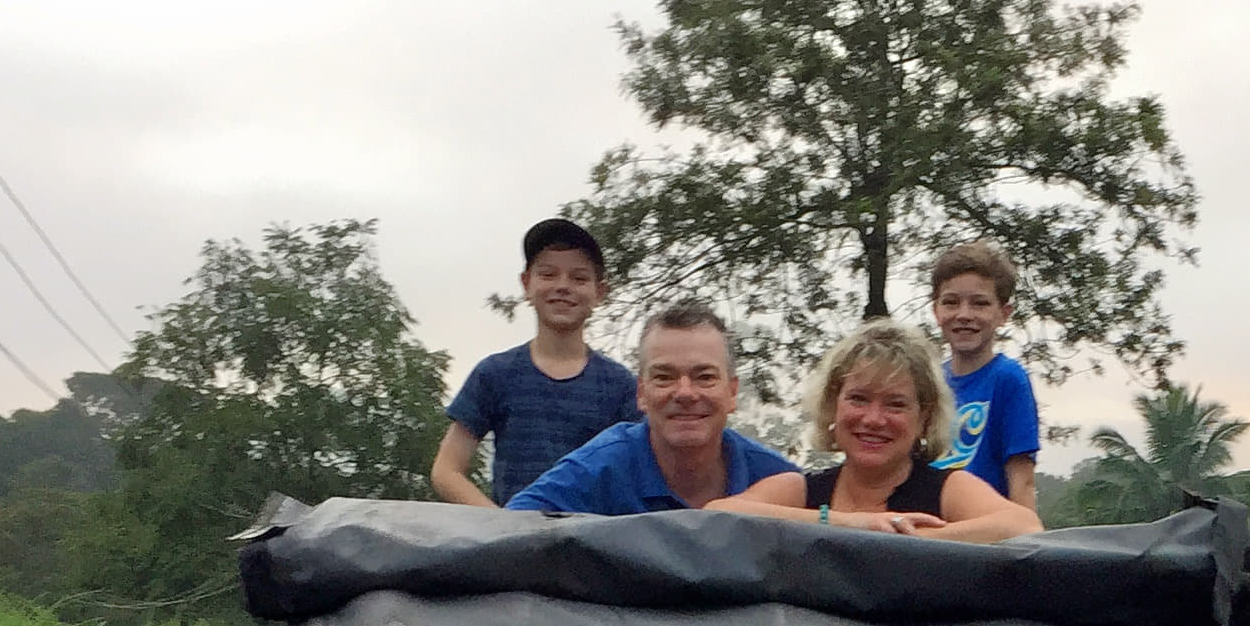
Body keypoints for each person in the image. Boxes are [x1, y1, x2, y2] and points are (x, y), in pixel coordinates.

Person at [709, 320, 1042, 541]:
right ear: (832, 407)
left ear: (924, 417)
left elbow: (1025, 526)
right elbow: (716, 515)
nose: (873, 418)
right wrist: (848, 525)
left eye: (895, 404)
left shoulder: (948, 489)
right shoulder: (802, 491)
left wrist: (906, 539)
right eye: (858, 399)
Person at [506, 302, 798, 514]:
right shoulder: (598, 469)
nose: (685, 392)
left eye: (704, 377)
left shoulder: (773, 476)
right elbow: (509, 533)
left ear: (732, 393)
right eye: (664, 377)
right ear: (641, 394)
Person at [430, 220, 639, 507]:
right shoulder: (494, 374)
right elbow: (446, 470)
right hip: (515, 545)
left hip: (593, 542)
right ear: (526, 285)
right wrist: (500, 525)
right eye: (549, 274)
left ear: (599, 293)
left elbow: (638, 470)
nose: (563, 287)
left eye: (578, 278)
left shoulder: (621, 385)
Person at [927, 241, 1040, 507]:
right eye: (951, 302)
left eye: (980, 304)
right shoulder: (929, 383)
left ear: (1004, 314)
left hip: (985, 535)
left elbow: (1022, 480)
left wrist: (1024, 538)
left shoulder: (1008, 379)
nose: (964, 315)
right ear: (936, 311)